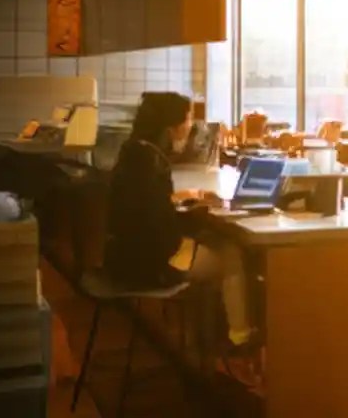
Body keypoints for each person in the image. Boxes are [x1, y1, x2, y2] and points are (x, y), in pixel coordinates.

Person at [102, 92, 257, 360]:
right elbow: (160, 227)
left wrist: (181, 200)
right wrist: (192, 216)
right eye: (187, 120)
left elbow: (146, 205)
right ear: (170, 125)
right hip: (152, 263)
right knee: (231, 255)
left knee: (214, 241)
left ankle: (207, 344)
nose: (190, 127)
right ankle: (239, 341)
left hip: (124, 257)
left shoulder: (134, 152)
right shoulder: (152, 160)